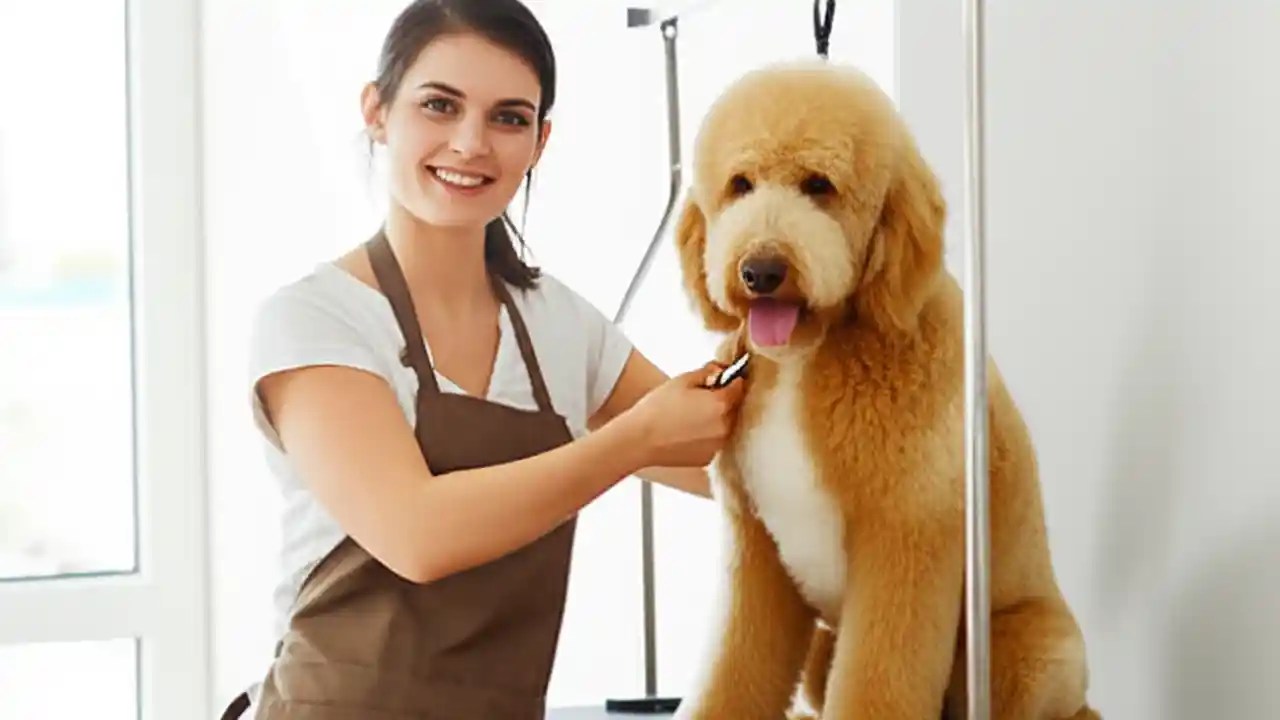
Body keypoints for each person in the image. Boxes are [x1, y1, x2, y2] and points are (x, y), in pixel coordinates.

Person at [220, 1, 746, 718]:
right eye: (439, 105)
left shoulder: (558, 324)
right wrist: (630, 442)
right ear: (377, 111)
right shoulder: (317, 320)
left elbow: (727, 460)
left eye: (508, 117)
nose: (471, 143)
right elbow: (416, 533)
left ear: (540, 141)